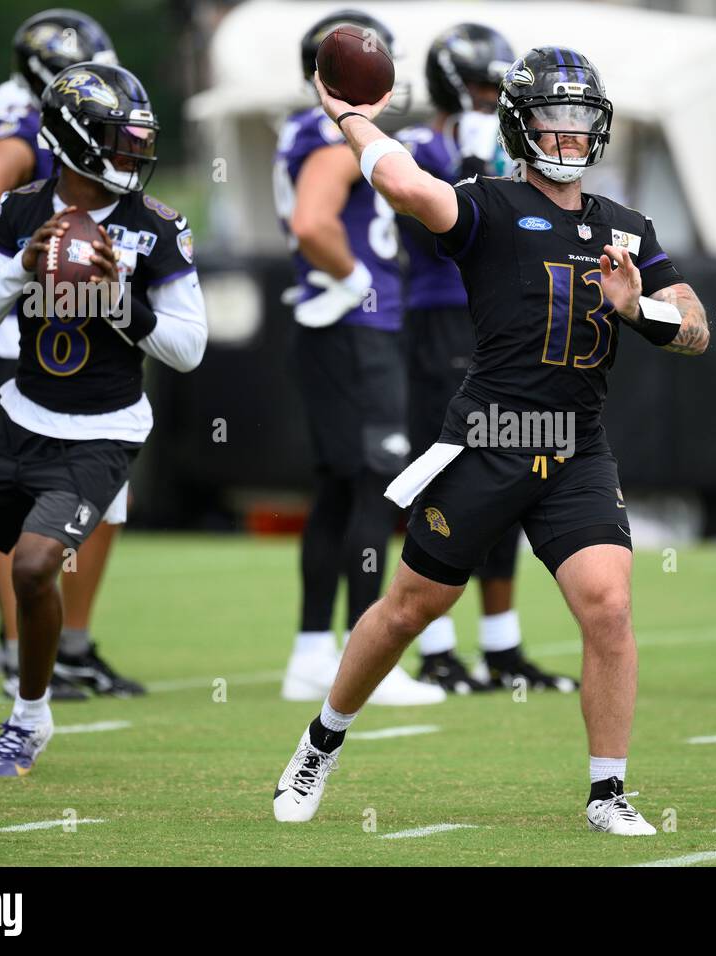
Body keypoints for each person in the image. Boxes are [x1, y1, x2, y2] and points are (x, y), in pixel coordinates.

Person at [273, 46, 709, 834]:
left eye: (582, 121)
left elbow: (697, 331)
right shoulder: (491, 207)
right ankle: (321, 740)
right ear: (520, 123)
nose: (571, 135)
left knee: (608, 608)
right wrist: (349, 117)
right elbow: (404, 183)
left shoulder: (628, 227)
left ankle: (607, 793)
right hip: (489, 436)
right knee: (410, 608)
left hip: (577, 445)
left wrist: (637, 308)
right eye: (555, 118)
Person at [0, 63, 207, 773]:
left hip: (100, 432)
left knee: (32, 565)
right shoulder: (22, 208)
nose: (133, 158)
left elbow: (188, 349)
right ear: (73, 141)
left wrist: (120, 298)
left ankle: (29, 717)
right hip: (18, 417)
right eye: (118, 143)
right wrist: (24, 267)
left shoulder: (157, 227)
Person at [0, 9, 144, 698]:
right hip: (29, 342)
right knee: (21, 505)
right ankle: (23, 651)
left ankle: (70, 647)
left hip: (91, 340)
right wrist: (31, 265)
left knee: (102, 502)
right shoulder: (33, 122)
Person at [395, 22, 576, 696]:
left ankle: (501, 647)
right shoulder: (420, 144)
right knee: (444, 474)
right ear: (452, 85)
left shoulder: (509, 149)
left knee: (512, 471)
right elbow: (420, 217)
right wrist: (466, 170)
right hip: (439, 316)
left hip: (505, 318)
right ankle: (436, 647)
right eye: (478, 87)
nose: (486, 100)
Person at [274, 8, 443, 707]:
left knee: (341, 486)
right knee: (373, 481)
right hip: (352, 328)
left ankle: (314, 651)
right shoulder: (323, 130)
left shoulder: (312, 127)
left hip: (339, 331)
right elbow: (313, 222)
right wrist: (354, 283)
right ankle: (358, 655)